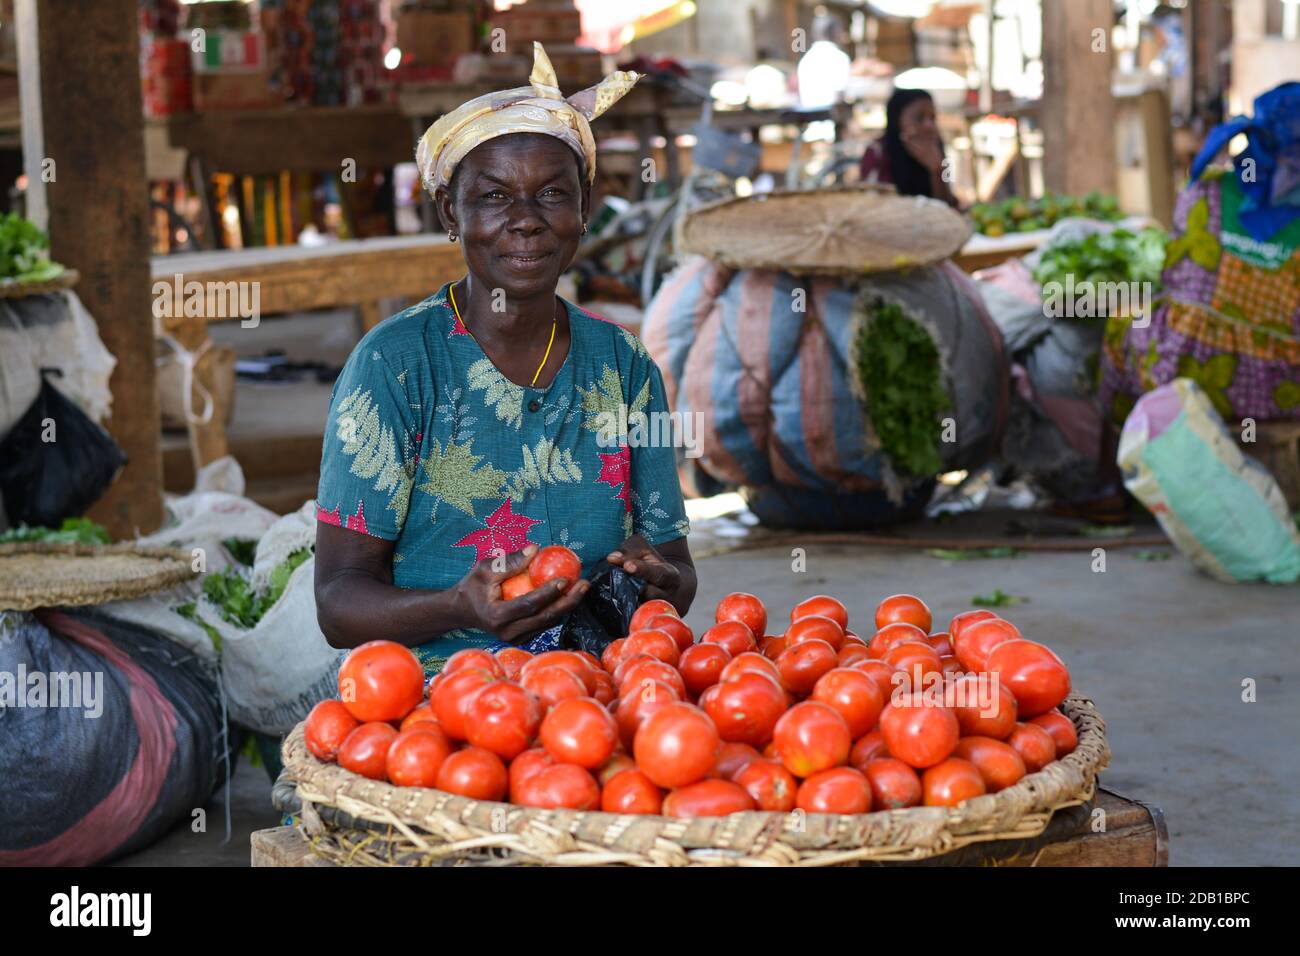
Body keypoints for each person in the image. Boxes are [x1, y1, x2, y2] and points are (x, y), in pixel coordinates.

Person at [313, 44, 696, 674]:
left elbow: (676, 571)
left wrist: (658, 584)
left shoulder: (623, 365)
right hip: (443, 703)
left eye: (551, 194)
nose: (525, 221)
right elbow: (337, 605)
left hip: (596, 695)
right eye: (493, 197)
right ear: (449, 213)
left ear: (584, 209)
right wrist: (458, 606)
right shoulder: (395, 365)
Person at [859, 88, 959, 208]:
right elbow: (873, 204)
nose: (929, 125)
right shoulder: (877, 152)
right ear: (897, 120)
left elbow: (946, 205)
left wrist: (936, 171)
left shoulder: (936, 148)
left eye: (932, 118)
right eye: (919, 118)